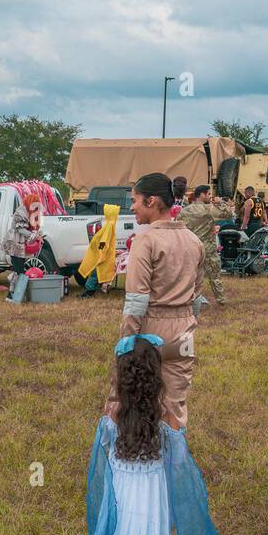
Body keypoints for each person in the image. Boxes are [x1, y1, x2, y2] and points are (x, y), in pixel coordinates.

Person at [75, 335, 225, 535]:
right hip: (152, 497)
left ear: (122, 380)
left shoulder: (111, 417)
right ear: (155, 379)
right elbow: (179, 460)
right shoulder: (166, 419)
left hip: (122, 493)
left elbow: (101, 454)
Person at [105, 172, 207, 429]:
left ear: (151, 201)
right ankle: (173, 460)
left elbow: (136, 300)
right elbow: (197, 294)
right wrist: (189, 322)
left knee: (132, 400)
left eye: (135, 200)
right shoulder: (194, 241)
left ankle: (133, 461)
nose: (132, 206)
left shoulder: (145, 240)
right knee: (175, 404)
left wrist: (126, 341)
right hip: (184, 333)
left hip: (151, 330)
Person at [180, 184, 233, 305]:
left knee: (190, 276)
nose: (210, 196)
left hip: (191, 248)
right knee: (214, 276)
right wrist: (219, 202)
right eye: (209, 194)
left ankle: (189, 298)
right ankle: (221, 300)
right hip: (208, 247)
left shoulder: (185, 211)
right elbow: (229, 214)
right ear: (202, 195)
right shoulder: (209, 209)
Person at [2, 192, 44, 302]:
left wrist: (37, 235)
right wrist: (34, 235)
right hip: (15, 245)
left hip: (21, 246)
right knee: (18, 271)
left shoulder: (31, 213)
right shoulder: (20, 213)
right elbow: (20, 230)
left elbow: (33, 229)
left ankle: (16, 295)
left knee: (19, 271)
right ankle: (11, 296)